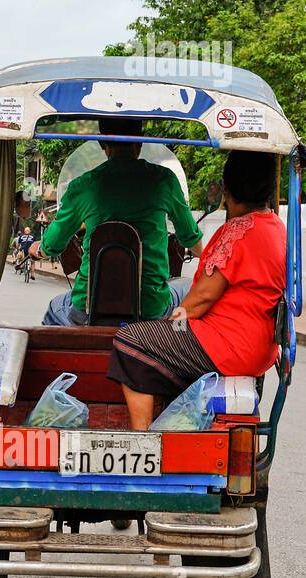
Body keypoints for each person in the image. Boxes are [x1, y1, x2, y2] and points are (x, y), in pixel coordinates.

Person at [106, 150, 286, 430]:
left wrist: (170, 324)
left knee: (130, 340)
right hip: (259, 348)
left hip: (227, 343)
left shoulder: (239, 230)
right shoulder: (276, 227)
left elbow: (201, 298)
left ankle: (141, 443)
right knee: (158, 334)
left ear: (227, 189)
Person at [28, 118, 202, 325]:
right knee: (187, 288)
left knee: (54, 309)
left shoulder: (83, 186)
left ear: (102, 143)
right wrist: (210, 261)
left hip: (88, 308)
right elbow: (190, 237)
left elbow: (53, 245)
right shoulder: (164, 180)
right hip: (151, 308)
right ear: (141, 140)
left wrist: (39, 250)